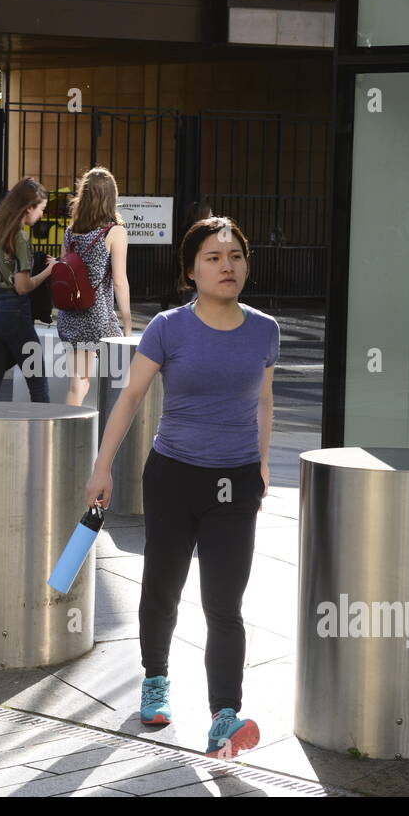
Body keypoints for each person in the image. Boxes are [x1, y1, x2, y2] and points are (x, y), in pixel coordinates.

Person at [84, 216, 279, 760]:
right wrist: (103, 468)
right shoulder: (168, 327)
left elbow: (263, 400)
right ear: (191, 270)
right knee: (162, 588)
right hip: (173, 475)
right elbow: (130, 399)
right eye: (214, 258)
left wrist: (261, 464)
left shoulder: (265, 329)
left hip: (235, 483)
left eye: (236, 256)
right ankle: (155, 678)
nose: (227, 266)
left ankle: (224, 715)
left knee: (225, 603)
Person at [0, 177, 56, 402]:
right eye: (42, 209)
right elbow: (23, 286)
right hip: (15, 314)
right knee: (38, 384)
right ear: (28, 208)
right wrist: (50, 270)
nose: (42, 215)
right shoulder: (20, 237)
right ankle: (42, 435)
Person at [56, 167, 132, 405]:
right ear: (111, 197)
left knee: (78, 382)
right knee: (123, 376)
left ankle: (70, 432)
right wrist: (128, 322)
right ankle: (114, 432)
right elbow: (120, 281)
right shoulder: (115, 232)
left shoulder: (70, 232)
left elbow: (65, 269)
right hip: (98, 316)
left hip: (69, 315)